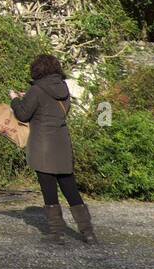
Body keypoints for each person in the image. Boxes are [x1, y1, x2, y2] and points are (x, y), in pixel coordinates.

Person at [10, 53, 97, 245]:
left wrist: (15, 99)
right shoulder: (63, 88)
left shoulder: (36, 89)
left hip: (43, 146)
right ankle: (88, 232)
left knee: (49, 191)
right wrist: (30, 98)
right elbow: (57, 109)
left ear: (37, 70)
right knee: (70, 188)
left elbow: (23, 115)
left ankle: (56, 233)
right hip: (62, 143)